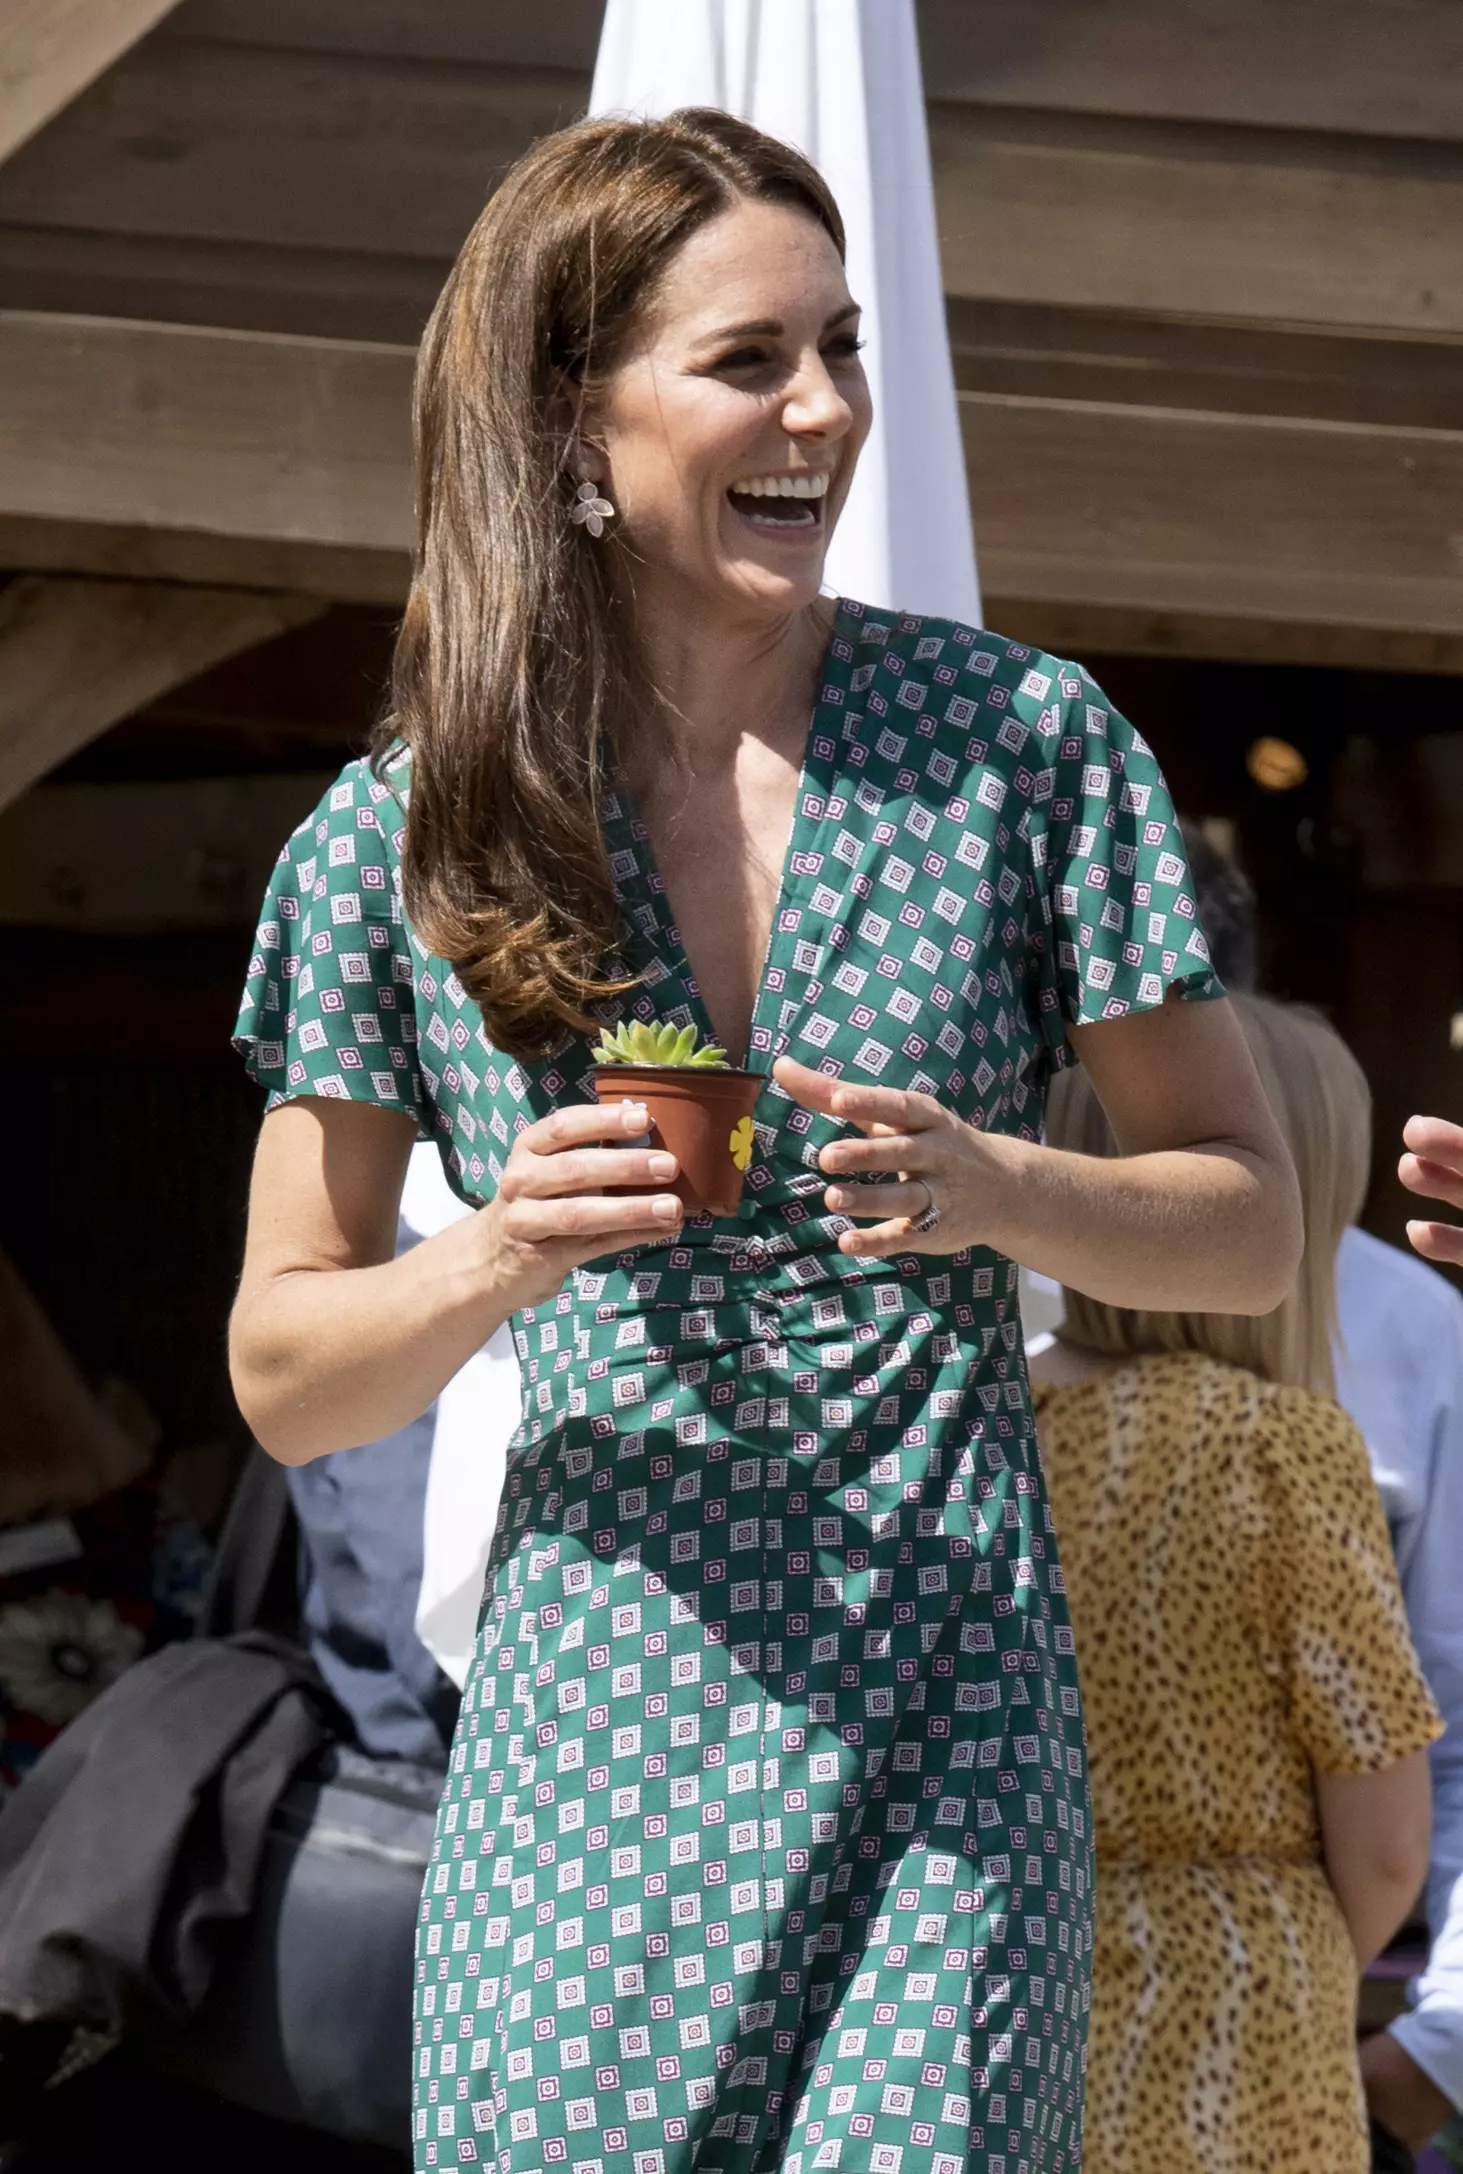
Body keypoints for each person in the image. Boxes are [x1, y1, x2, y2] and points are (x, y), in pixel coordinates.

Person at [229, 110, 1299, 2174]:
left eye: (842, 347)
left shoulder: (1016, 744)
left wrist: (1002, 1186)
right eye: (745, 360)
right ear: (568, 420)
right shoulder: (406, 832)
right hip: (595, 1759)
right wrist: (496, 1252)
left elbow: (1242, 1226)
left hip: (947, 1742)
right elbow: (282, 1378)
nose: (822, 408)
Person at [1032, 992, 1442, 2173]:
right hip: (1245, 2030)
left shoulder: (979, 1433)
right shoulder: (1279, 1452)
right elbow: (1380, 1845)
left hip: (1007, 2002)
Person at [1179, 837, 1463, 2166]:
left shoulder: (1405, 1330)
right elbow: (1387, 1832)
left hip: (1307, 2037)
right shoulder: (951, 1329)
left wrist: (1422, 2057)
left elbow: (1424, 1771)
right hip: (1245, 2012)